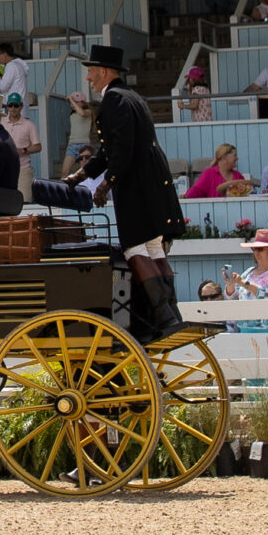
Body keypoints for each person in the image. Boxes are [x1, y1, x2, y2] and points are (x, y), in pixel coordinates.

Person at [67, 44, 185, 339]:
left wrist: (106, 184)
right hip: (151, 182)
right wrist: (83, 173)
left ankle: (163, 313)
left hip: (136, 186)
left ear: (105, 72)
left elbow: (120, 150)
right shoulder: (131, 97)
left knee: (134, 247)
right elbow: (111, 149)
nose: (88, 78)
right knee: (153, 246)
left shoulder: (114, 100)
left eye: (92, 72)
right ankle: (170, 312)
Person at [223, 229, 268, 334]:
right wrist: (231, 283)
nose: (256, 252)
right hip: (245, 329)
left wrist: (244, 283)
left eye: (261, 249)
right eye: (254, 249)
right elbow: (233, 296)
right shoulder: (249, 272)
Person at [1, 94, 40, 198]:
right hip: (4, 169)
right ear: (7, 106)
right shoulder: (1, 124)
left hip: (23, 168)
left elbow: (38, 146)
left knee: (24, 200)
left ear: (21, 106)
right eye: (10, 105)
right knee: (5, 201)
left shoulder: (29, 125)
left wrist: (23, 150)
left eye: (16, 105)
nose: (13, 108)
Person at [61, 92, 97, 177]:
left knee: (85, 171)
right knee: (64, 171)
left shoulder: (88, 112)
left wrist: (71, 100)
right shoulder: (72, 114)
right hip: (72, 145)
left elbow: (82, 113)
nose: (73, 104)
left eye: (76, 102)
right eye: (73, 102)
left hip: (84, 145)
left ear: (83, 102)